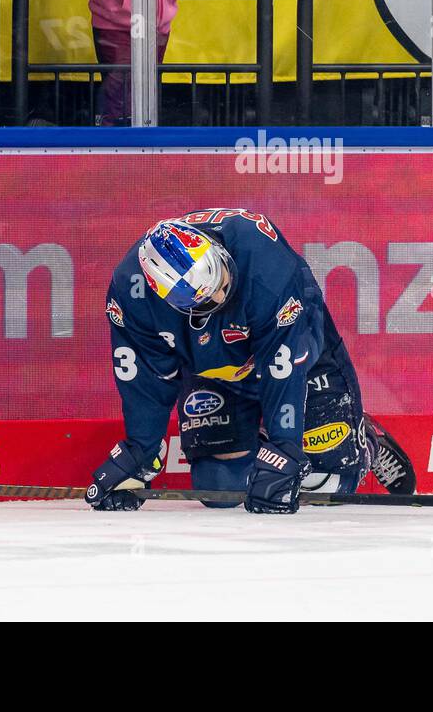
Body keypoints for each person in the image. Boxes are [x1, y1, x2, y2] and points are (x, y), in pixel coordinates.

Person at [85, 210, 416, 513]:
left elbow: (282, 363)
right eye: (202, 300)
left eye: (218, 280)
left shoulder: (264, 260)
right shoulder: (132, 294)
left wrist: (284, 449)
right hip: (215, 370)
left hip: (298, 359)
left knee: (329, 482)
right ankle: (254, 436)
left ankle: (368, 440)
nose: (218, 296)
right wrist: (140, 454)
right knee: (218, 490)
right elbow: (146, 377)